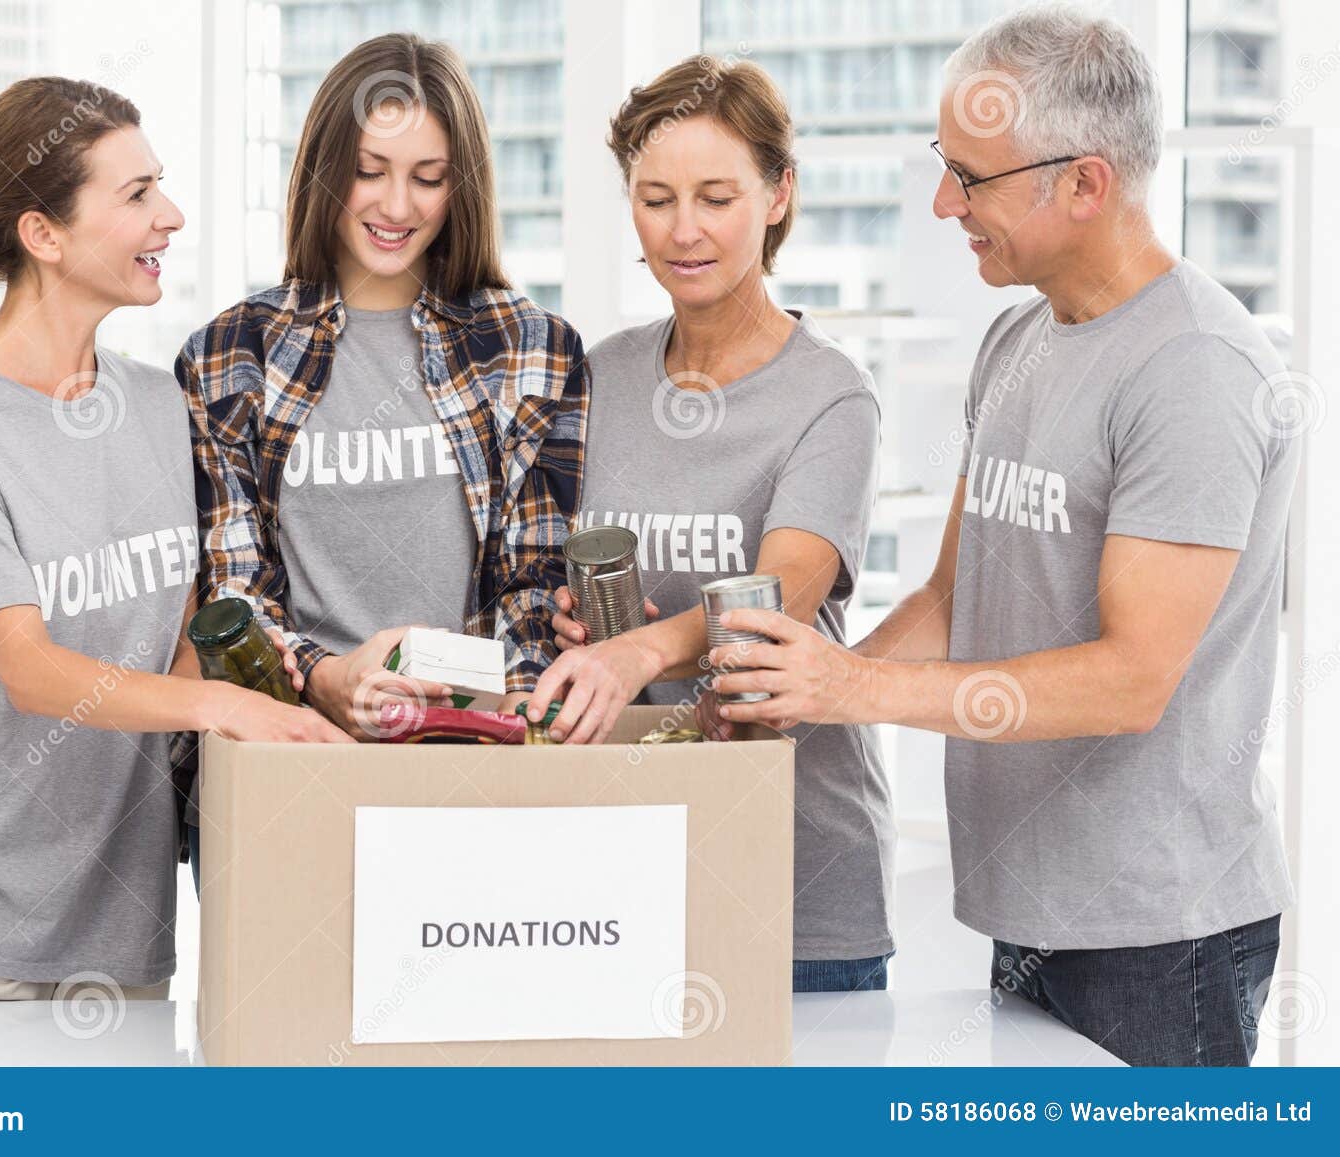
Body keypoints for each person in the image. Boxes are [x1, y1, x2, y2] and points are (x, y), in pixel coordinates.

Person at [711, 5, 1297, 1065]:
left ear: (1083, 183)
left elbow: (1131, 679)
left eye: (970, 178)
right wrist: (801, 693)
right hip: (1026, 907)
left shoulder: (1196, 370)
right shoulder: (1018, 336)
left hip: (1162, 937)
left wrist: (853, 692)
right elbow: (952, 595)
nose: (943, 203)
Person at [0, 77, 348, 1004]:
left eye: (159, 184)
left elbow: (176, 637)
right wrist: (226, 712)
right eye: (136, 195)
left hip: (117, 926)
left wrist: (292, 675)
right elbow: (31, 671)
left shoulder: (159, 405)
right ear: (43, 234)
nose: (171, 215)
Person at [177, 33, 588, 882]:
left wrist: (465, 705)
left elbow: (533, 583)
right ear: (327, 168)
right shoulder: (230, 355)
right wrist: (328, 681)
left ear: (459, 186)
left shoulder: (534, 351)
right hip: (292, 767)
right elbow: (232, 591)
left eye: (428, 177)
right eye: (370, 169)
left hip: (477, 773)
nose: (397, 205)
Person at [527, 56, 894, 992]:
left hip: (796, 872)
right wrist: (574, 627)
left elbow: (773, 609)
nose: (683, 230)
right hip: (611, 861)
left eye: (716, 196)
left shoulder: (830, 398)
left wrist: (642, 650)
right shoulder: (594, 376)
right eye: (655, 199)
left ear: (778, 196)